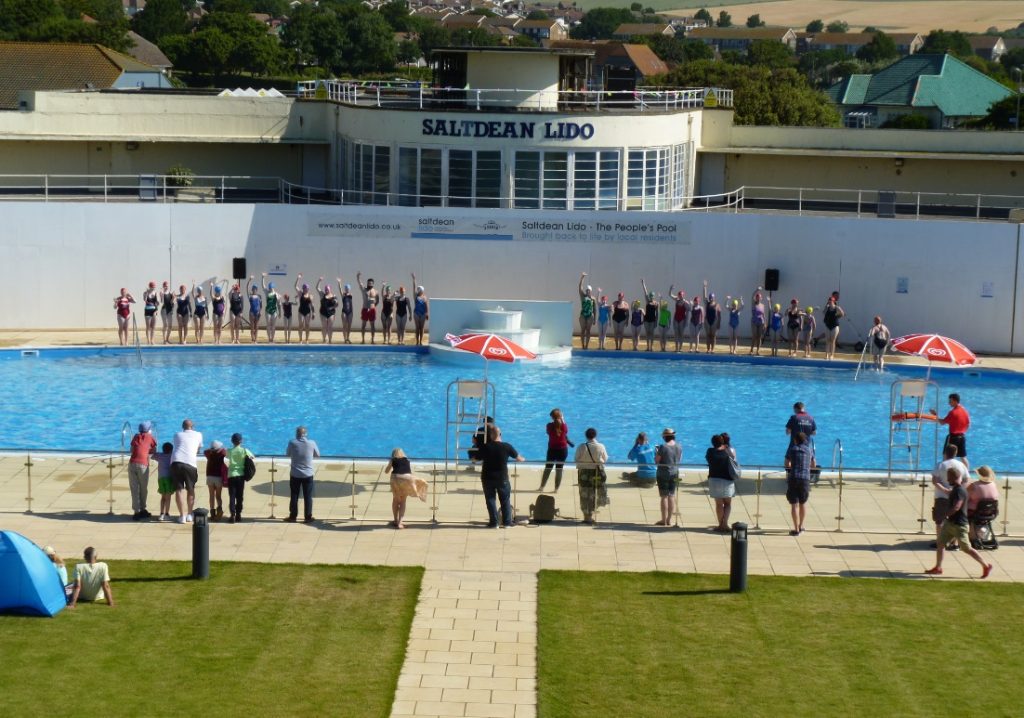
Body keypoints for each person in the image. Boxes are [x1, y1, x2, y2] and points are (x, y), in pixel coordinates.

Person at [925, 469, 993, 578]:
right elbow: (948, 492)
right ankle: (938, 567)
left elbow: (957, 506)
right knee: (940, 544)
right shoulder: (955, 489)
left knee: (966, 548)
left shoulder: (959, 491)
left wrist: (946, 515)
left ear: (953, 478)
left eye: (949, 477)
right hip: (950, 523)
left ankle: (986, 565)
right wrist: (937, 483)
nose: (947, 479)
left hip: (959, 525)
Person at [478, 424, 524, 528]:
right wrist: (524, 459)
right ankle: (507, 522)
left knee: (490, 500)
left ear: (490, 435)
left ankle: (494, 523)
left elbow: (476, 459)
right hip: (502, 478)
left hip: (487, 477)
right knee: (505, 500)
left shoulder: (486, 447)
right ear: (500, 434)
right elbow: (519, 458)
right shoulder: (507, 446)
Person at [931, 444, 967, 549]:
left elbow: (935, 481)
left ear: (945, 453)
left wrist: (945, 490)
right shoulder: (961, 465)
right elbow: (966, 480)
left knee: (939, 520)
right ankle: (955, 543)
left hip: (941, 496)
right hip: (956, 496)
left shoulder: (940, 465)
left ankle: (940, 542)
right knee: (955, 520)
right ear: (956, 454)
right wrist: (956, 490)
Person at [385, 447, 428, 529]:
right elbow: (408, 472)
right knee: (403, 500)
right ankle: (400, 523)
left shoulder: (393, 460)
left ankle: (395, 520)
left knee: (395, 499)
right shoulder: (407, 460)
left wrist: (389, 466)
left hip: (395, 478)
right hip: (406, 478)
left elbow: (387, 471)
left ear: (393, 454)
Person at [171, 419, 203, 524]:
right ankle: (189, 514)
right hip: (190, 463)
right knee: (191, 489)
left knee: (179, 490)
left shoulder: (177, 435)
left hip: (177, 462)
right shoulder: (198, 435)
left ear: (182, 427)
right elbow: (198, 449)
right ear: (192, 426)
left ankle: (182, 516)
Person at [286, 426, 320, 523]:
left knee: (294, 496)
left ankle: (293, 516)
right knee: (308, 496)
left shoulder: (292, 443)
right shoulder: (312, 443)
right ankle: (308, 517)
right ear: (306, 434)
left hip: (295, 474)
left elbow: (287, 454)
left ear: (297, 434)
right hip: (308, 474)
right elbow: (318, 455)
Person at [574, 427, 608, 525]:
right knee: (594, 492)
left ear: (586, 436)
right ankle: (592, 513)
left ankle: (586, 516)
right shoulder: (601, 446)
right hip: (596, 473)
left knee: (584, 493)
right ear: (595, 435)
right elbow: (605, 459)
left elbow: (576, 459)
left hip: (584, 473)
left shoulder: (581, 447)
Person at [784, 432, 813, 536]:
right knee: (802, 503)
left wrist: (791, 466)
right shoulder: (809, 450)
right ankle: (801, 526)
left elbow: (787, 463)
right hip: (805, 478)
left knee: (794, 505)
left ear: (796, 440)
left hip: (794, 477)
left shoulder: (793, 449)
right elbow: (813, 464)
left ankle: (795, 529)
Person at [706, 434, 736, 532]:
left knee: (719, 504)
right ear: (722, 442)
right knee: (727, 504)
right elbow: (734, 460)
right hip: (727, 480)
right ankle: (725, 524)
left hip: (714, 480)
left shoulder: (710, 452)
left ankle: (720, 525)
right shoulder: (727, 451)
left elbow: (708, 460)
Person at [128, 421, 156, 521]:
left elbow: (131, 450)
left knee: (134, 488)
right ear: (148, 429)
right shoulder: (150, 437)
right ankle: (143, 509)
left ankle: (136, 511)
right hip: (143, 464)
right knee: (143, 488)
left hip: (132, 463)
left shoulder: (136, 436)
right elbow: (154, 450)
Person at [654, 428, 681, 527]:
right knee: (672, 495)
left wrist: (656, 452)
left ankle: (663, 520)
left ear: (665, 437)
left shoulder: (663, 447)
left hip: (663, 473)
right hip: (675, 473)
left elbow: (657, 461)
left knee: (664, 496)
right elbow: (679, 459)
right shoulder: (679, 446)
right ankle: (669, 519)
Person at [540, 408, 571, 492]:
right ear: (560, 416)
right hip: (563, 450)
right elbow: (566, 431)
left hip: (552, 450)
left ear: (552, 417)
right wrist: (562, 419)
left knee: (548, 468)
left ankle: (542, 487)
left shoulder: (549, 426)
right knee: (559, 469)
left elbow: (548, 432)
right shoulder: (564, 426)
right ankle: (556, 489)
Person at [968, 465, 1000, 547]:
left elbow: (966, 497)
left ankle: (971, 538)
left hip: (975, 512)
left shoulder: (974, 485)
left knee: (961, 511)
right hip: (990, 512)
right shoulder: (993, 485)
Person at [936, 393, 970, 468]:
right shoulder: (965, 411)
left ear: (955, 401)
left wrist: (935, 416)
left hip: (953, 437)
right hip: (962, 436)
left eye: (950, 401)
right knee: (963, 457)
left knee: (946, 456)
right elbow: (968, 424)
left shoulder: (953, 412)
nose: (949, 403)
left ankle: (945, 474)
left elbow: (942, 422)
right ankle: (966, 475)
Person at [226, 433, 254, 523]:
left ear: (232, 441)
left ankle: (232, 514)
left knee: (232, 496)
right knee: (239, 496)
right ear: (241, 441)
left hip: (231, 475)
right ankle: (238, 514)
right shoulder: (244, 450)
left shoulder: (229, 451)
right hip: (241, 476)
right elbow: (252, 457)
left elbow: (226, 457)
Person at [204, 440, 228, 521]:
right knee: (218, 495)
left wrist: (211, 449)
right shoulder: (222, 453)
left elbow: (205, 451)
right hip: (218, 477)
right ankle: (219, 509)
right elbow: (225, 452)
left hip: (210, 477)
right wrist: (221, 449)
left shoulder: (208, 454)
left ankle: (212, 513)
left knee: (211, 495)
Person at [357, 272, 379, 344]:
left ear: (373, 284)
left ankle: (372, 340)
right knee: (363, 325)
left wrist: (373, 306)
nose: (369, 284)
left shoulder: (376, 291)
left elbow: (378, 301)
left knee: (372, 325)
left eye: (371, 283)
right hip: (365, 309)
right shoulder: (364, 290)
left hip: (372, 310)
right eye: (368, 283)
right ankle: (363, 340)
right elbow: (360, 284)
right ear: (367, 283)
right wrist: (358, 277)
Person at [155, 441, 174, 521]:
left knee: (163, 497)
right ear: (171, 450)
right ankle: (166, 513)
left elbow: (153, 455)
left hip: (161, 478)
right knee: (168, 497)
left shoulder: (160, 456)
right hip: (169, 478)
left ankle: (161, 514)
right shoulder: (172, 456)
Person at [822, 294, 844, 360]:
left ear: (833, 301)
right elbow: (823, 313)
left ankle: (832, 355)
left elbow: (842, 314)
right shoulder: (827, 307)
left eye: (831, 301)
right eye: (829, 301)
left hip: (835, 326)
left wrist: (838, 315)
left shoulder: (837, 307)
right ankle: (826, 355)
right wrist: (826, 307)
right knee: (827, 340)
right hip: (828, 325)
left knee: (832, 340)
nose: (829, 302)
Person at [316, 277, 338, 343]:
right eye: (325, 289)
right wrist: (319, 281)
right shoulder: (322, 295)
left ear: (330, 289)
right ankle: (324, 339)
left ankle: (330, 340)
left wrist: (333, 306)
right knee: (324, 327)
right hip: (323, 313)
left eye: (327, 289)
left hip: (331, 313)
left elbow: (337, 305)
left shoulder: (333, 296)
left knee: (330, 327)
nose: (326, 290)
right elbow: (317, 288)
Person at [262, 274, 282, 343]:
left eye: (271, 288)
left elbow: (279, 304)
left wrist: (280, 313)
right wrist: (263, 278)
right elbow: (263, 286)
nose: (270, 289)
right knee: (268, 325)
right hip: (268, 310)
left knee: (273, 326)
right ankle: (269, 338)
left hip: (274, 311)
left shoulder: (277, 294)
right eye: (270, 288)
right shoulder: (267, 292)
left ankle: (272, 339)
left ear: (274, 288)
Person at [294, 275, 315, 344]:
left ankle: (307, 339)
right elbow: (295, 286)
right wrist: (298, 278)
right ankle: (300, 339)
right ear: (303, 288)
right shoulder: (300, 294)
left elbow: (312, 305)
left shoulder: (310, 296)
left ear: (308, 289)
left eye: (306, 288)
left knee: (307, 325)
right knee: (301, 325)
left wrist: (314, 313)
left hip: (308, 312)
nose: (305, 289)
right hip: (301, 311)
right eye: (304, 288)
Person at [578, 273, 596, 349]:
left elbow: (595, 309)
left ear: (591, 291)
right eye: (587, 290)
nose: (587, 291)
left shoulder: (593, 298)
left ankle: (587, 345)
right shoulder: (583, 296)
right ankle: (582, 345)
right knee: (582, 330)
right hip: (583, 315)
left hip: (590, 315)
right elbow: (580, 287)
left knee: (588, 330)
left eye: (589, 290)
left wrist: (595, 318)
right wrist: (582, 278)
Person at [641, 279, 658, 351]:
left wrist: (656, 321)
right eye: (650, 296)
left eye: (652, 296)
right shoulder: (647, 301)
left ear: (654, 297)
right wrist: (643, 284)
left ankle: (651, 347)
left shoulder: (656, 303)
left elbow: (657, 313)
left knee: (652, 334)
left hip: (652, 320)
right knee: (647, 333)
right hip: (646, 319)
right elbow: (645, 292)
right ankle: (648, 347)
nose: (651, 297)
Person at [412, 273, 428, 346]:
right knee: (417, 327)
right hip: (416, 313)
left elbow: (426, 305)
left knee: (422, 328)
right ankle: (417, 341)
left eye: (419, 289)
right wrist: (414, 279)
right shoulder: (416, 296)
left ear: (422, 290)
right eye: (418, 289)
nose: (418, 290)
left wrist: (427, 313)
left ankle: (421, 341)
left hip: (423, 313)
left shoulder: (424, 297)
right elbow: (414, 287)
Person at [210, 278, 228, 345]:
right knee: (215, 327)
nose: (218, 292)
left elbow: (224, 304)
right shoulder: (214, 298)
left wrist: (223, 311)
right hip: (215, 314)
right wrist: (211, 286)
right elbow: (211, 294)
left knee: (220, 327)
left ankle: (219, 340)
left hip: (221, 314)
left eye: (219, 291)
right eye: (218, 291)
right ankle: (215, 340)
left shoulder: (222, 297)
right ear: (216, 292)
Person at [704, 283, 722, 353]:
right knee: (708, 335)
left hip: (714, 321)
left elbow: (719, 315)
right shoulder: (707, 303)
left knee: (713, 336)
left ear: (714, 298)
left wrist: (719, 323)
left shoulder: (717, 305)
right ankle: (708, 349)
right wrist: (705, 287)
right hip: (707, 321)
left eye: (712, 297)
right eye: (710, 297)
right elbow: (704, 296)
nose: (711, 298)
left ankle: (713, 349)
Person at [749, 287, 766, 356]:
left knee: (759, 336)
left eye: (759, 297)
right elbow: (752, 295)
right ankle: (752, 349)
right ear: (756, 298)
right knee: (754, 335)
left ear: (761, 298)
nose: (758, 298)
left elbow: (763, 314)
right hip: (754, 321)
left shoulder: (762, 305)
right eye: (757, 297)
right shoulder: (754, 303)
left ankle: (758, 350)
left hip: (761, 321)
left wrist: (765, 323)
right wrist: (757, 290)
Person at [247, 278, 262, 343]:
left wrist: (260, 312)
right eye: (253, 289)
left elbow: (261, 305)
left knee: (257, 327)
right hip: (252, 312)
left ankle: (256, 339)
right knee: (252, 327)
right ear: (252, 289)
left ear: (257, 289)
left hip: (257, 312)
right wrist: (249, 280)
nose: (254, 290)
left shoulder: (259, 296)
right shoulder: (250, 296)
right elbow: (247, 288)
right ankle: (252, 339)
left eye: (255, 289)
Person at [160, 280, 175, 345]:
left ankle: (167, 339)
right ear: (163, 286)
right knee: (165, 325)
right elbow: (162, 302)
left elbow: (172, 302)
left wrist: (173, 298)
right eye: (165, 286)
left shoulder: (171, 293)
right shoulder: (162, 293)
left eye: (167, 285)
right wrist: (162, 295)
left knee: (170, 326)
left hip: (169, 310)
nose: (166, 287)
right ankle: (164, 340)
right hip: (164, 310)